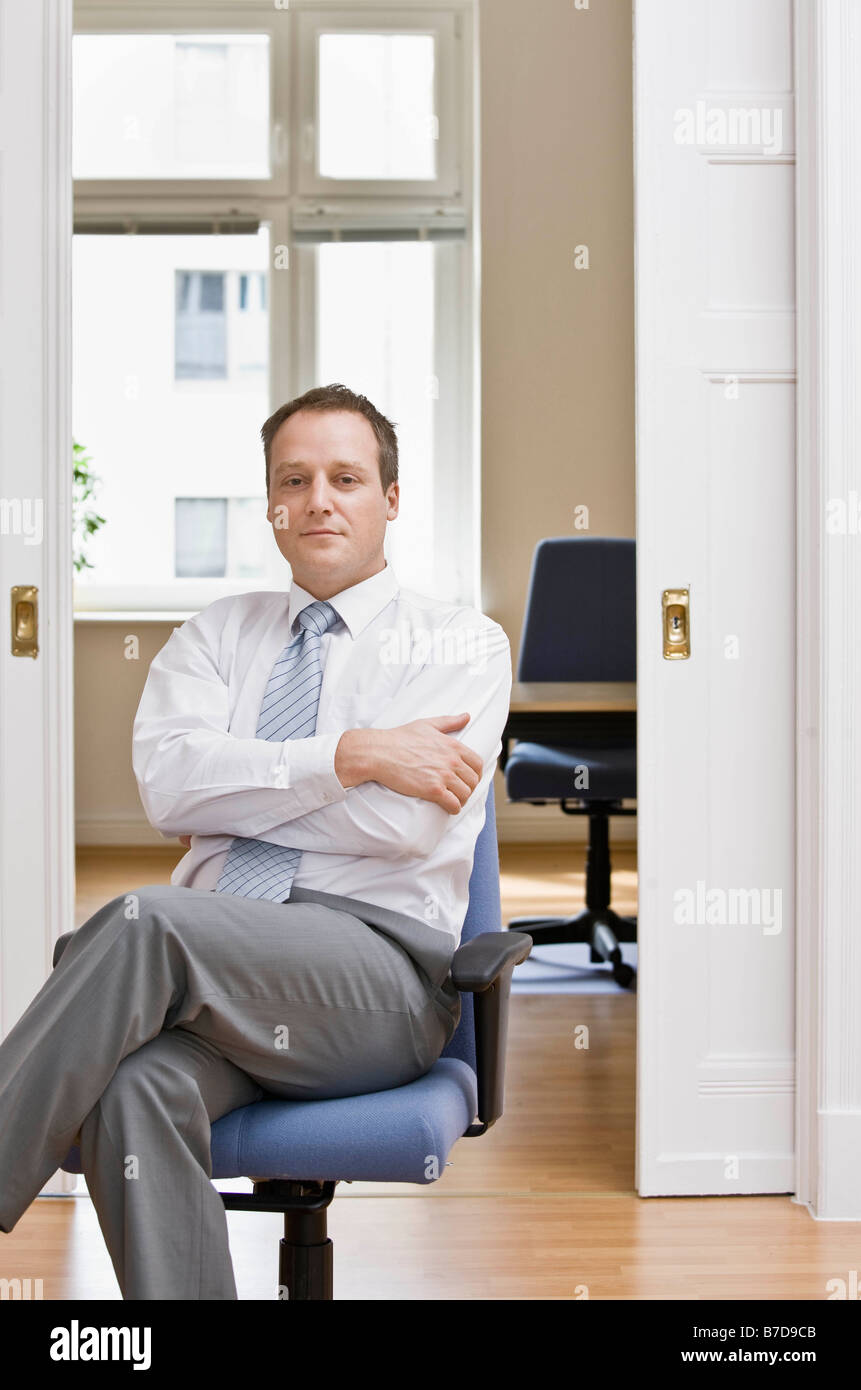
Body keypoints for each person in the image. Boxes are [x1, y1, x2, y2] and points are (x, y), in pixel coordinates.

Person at [0, 383, 512, 1299]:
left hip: (378, 979)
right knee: (134, 1091)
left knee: (139, 922)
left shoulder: (460, 644)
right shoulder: (213, 635)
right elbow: (168, 789)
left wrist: (240, 789)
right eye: (295, 479)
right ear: (271, 502)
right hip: (212, 982)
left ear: (390, 498)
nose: (319, 499)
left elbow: (402, 826)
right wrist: (350, 756)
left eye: (346, 477)